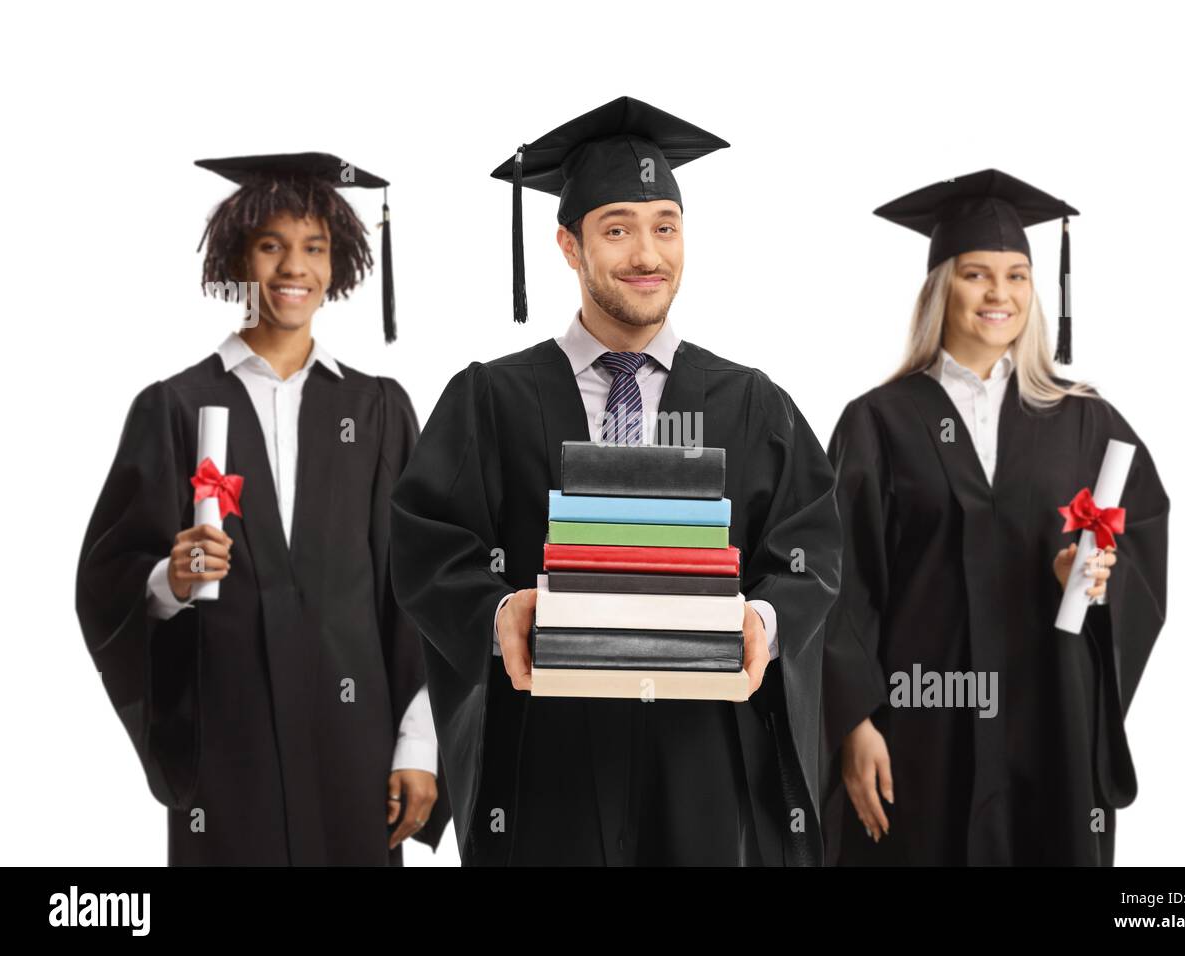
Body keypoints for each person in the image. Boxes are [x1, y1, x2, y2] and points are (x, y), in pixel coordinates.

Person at [390, 97, 842, 865]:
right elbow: (428, 546)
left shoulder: (750, 400)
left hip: (705, 752)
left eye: (665, 225)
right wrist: (497, 612)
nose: (647, 253)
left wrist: (763, 622)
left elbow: (811, 550)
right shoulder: (491, 399)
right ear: (569, 245)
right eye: (617, 227)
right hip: (550, 756)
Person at [75, 152, 448, 865]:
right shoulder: (175, 408)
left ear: (338, 263)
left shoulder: (377, 412)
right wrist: (170, 580)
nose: (293, 269)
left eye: (314, 247)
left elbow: (419, 589)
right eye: (270, 245)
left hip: (355, 747)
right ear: (236, 256)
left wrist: (420, 744)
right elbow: (105, 580)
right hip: (227, 743)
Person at [822, 169, 1169, 866]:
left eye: (1015, 276)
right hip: (920, 728)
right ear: (940, 287)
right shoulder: (878, 422)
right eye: (976, 274)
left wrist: (1095, 579)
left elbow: (1140, 546)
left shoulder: (1084, 420)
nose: (998, 294)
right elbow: (840, 583)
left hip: (1048, 725)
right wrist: (853, 721)